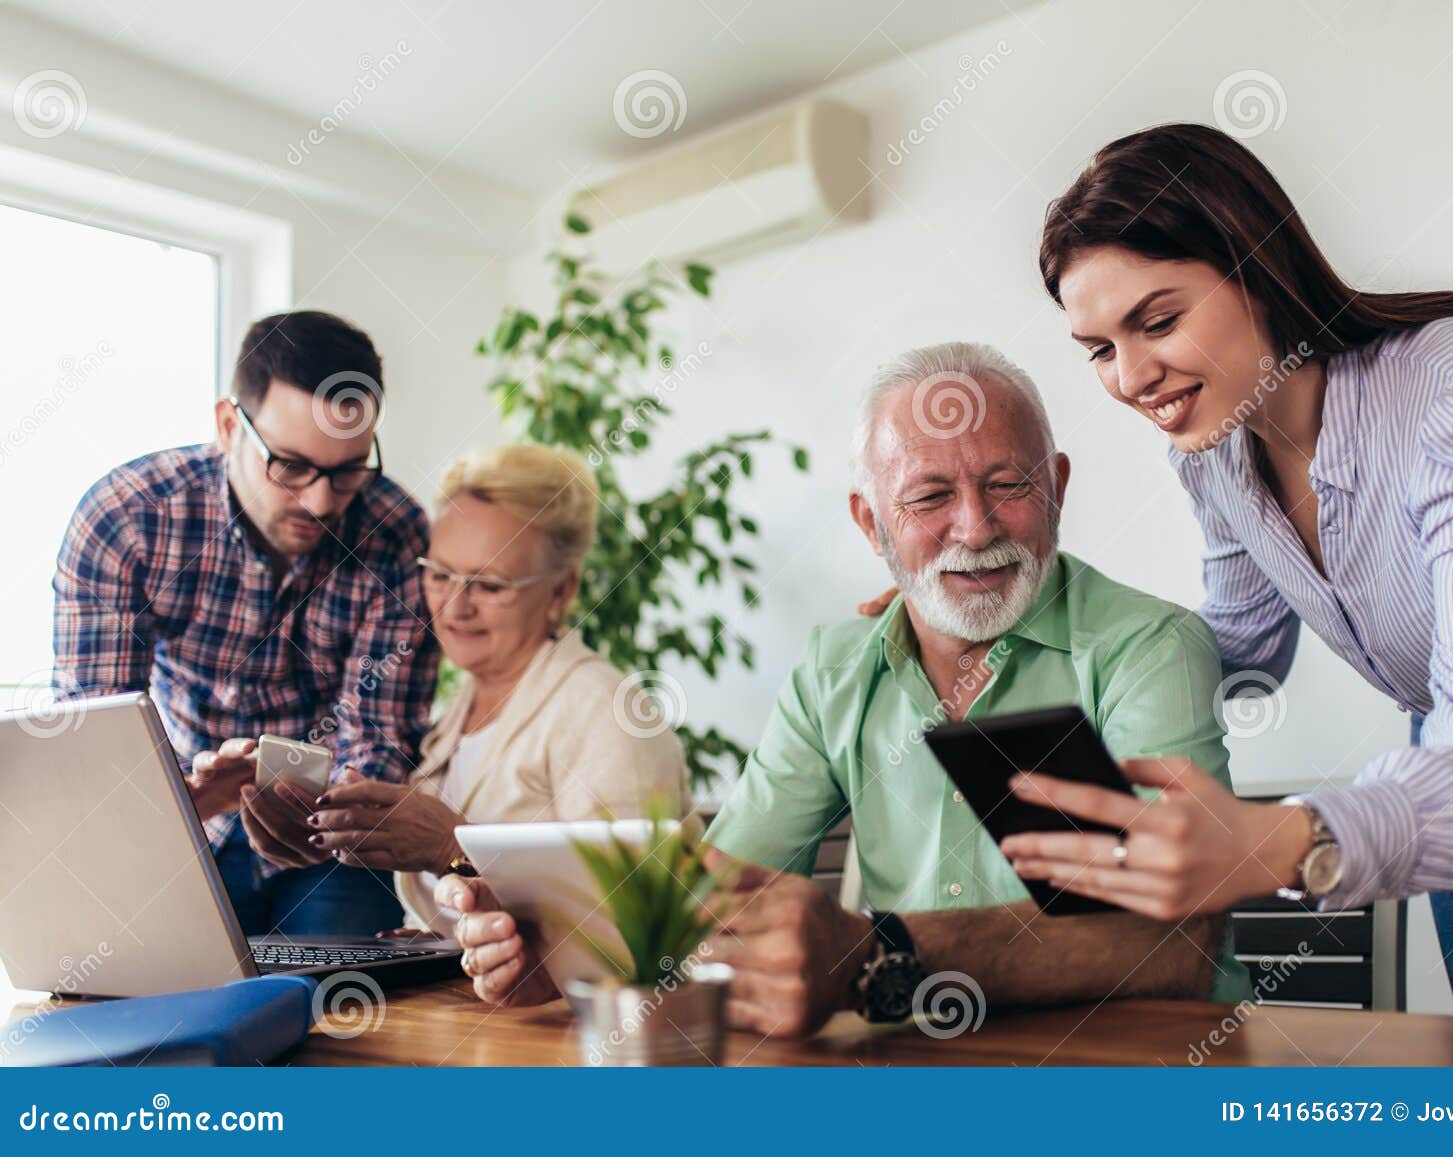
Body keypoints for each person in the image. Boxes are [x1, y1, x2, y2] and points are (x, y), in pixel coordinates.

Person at [442, 342, 1248, 1030]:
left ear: (1058, 487)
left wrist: (880, 950)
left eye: (1008, 484)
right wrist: (568, 951)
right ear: (871, 524)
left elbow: (1177, 941)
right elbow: (716, 894)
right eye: (930, 496)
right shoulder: (836, 668)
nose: (975, 526)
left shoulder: (1150, 647)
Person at [998, 121, 1453, 1018]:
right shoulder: (1214, 452)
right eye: (1099, 348)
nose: (1129, 378)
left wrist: (1275, 839)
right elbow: (1238, 649)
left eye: (1157, 321)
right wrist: (1012, 628)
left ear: (1259, 267)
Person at [53, 310, 439, 936]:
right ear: (230, 425)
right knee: (161, 1007)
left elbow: (380, 735)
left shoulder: (394, 531)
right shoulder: (128, 520)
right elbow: (102, 747)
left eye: (347, 470)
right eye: (290, 466)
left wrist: (309, 805)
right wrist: (193, 798)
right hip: (180, 819)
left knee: (346, 1011)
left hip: (330, 834)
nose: (320, 502)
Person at [303, 444, 689, 934]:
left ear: (560, 591)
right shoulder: (456, 711)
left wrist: (451, 847)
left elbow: (634, 914)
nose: (456, 607)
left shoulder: (608, 711)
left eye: (488, 586)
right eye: (440, 575)